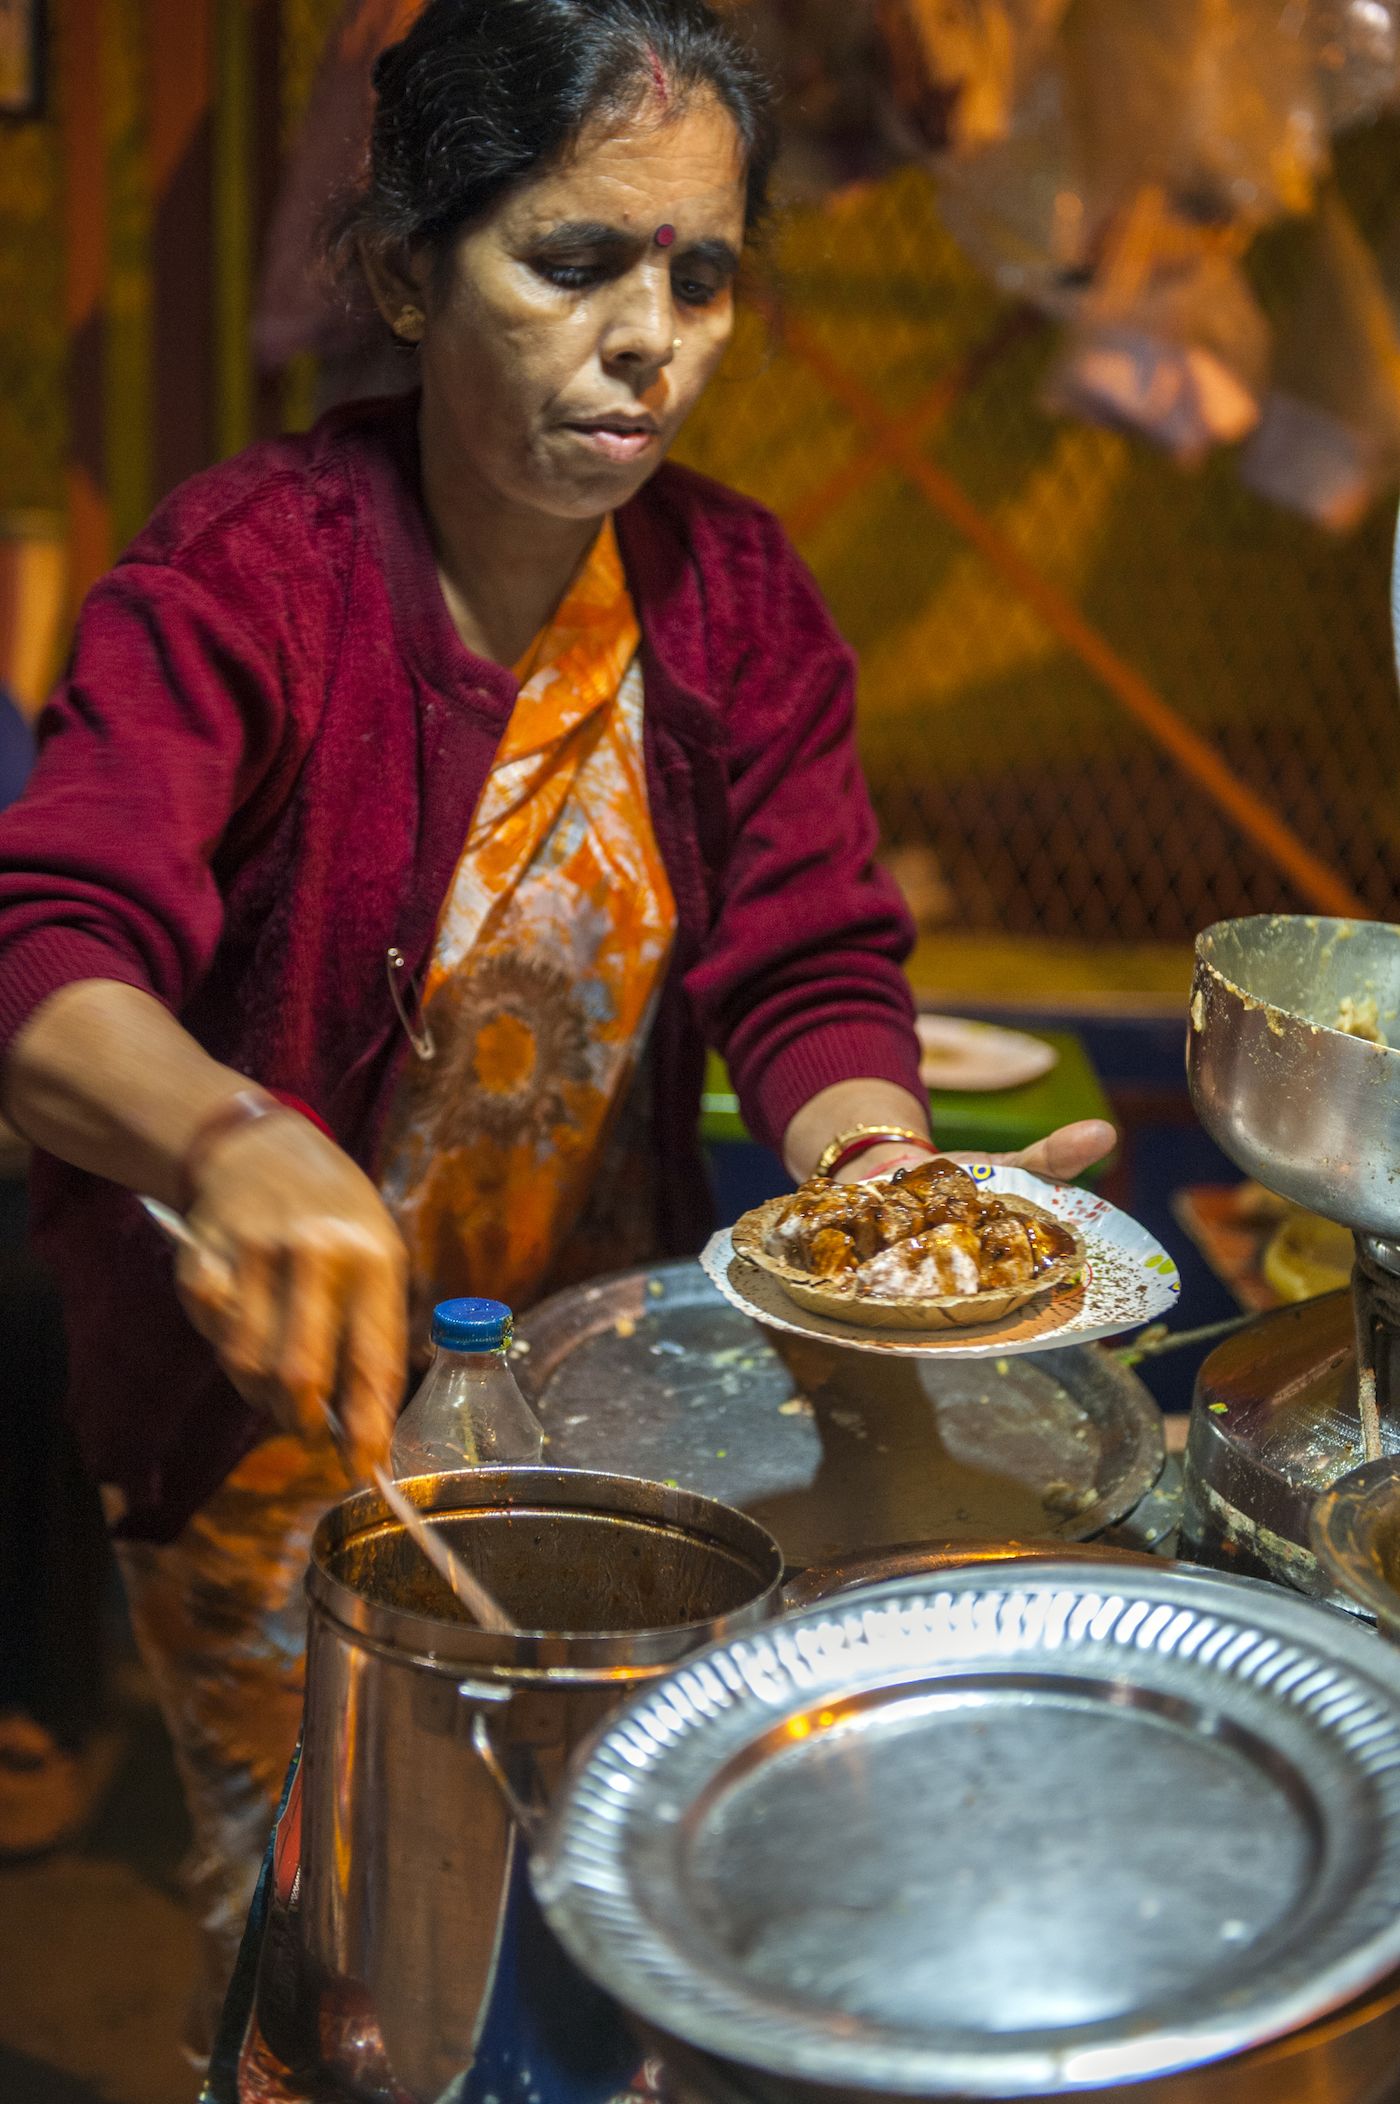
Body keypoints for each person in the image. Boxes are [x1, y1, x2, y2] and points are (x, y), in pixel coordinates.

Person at [0, 0, 1112, 2050]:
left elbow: (807, 967)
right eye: (574, 260)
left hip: (594, 1404)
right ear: (413, 271)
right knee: (346, 1950)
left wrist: (881, 1180)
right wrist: (233, 1139)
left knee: (599, 1902)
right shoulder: (250, 582)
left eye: (699, 276)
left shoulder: (735, 604)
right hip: (278, 1423)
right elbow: (55, 951)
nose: (650, 339)